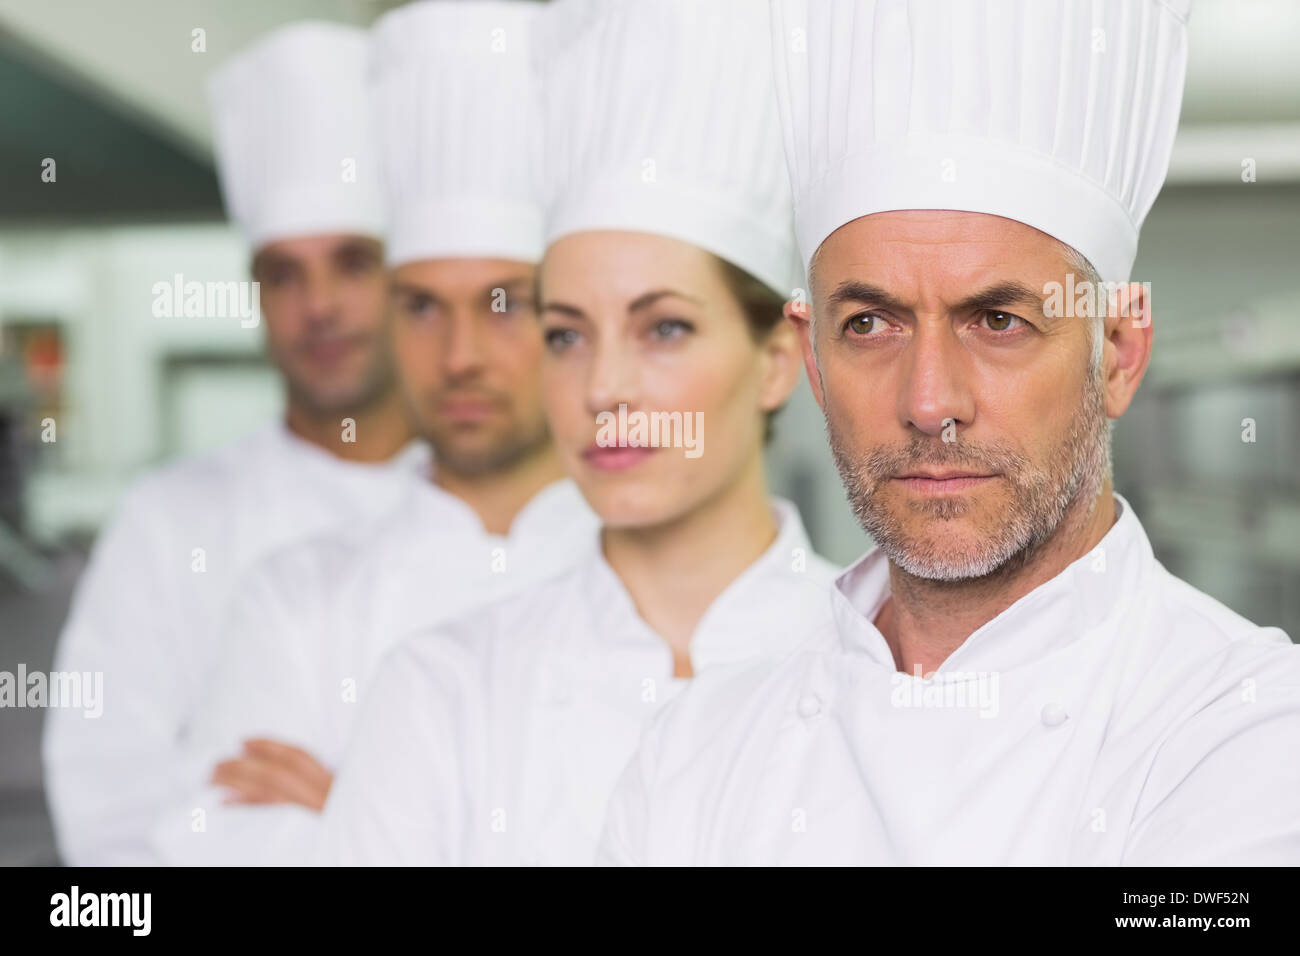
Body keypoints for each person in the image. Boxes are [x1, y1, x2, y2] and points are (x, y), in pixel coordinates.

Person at [599, 0, 1300, 866]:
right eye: (870, 325)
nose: (930, 402)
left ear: (1116, 353)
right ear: (812, 361)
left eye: (997, 320)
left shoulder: (1245, 730)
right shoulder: (693, 757)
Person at [315, 0, 840, 867]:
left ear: (779, 356)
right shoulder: (445, 691)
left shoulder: (890, 671)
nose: (602, 387)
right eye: (565, 334)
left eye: (663, 327)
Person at [149, 0, 598, 866]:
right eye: (423, 306)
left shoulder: (651, 587)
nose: (460, 356)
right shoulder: (295, 599)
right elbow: (208, 847)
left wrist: (353, 812)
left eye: (504, 303)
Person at [42, 21, 425, 866]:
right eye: (285, 274)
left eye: (351, 263)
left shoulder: (491, 511)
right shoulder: (169, 521)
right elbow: (104, 800)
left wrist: (351, 809)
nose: (318, 305)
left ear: (407, 280)